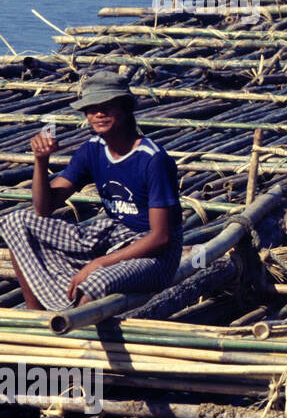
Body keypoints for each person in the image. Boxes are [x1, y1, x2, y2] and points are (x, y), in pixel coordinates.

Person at [0, 71, 183, 310]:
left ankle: (72, 326)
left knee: (95, 282)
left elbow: (161, 238)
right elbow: (43, 209)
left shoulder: (153, 160)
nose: (98, 113)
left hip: (155, 255)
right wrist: (41, 161)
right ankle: (37, 316)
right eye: (91, 108)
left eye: (107, 106)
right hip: (112, 238)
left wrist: (98, 264)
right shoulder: (92, 150)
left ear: (126, 108)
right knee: (17, 223)